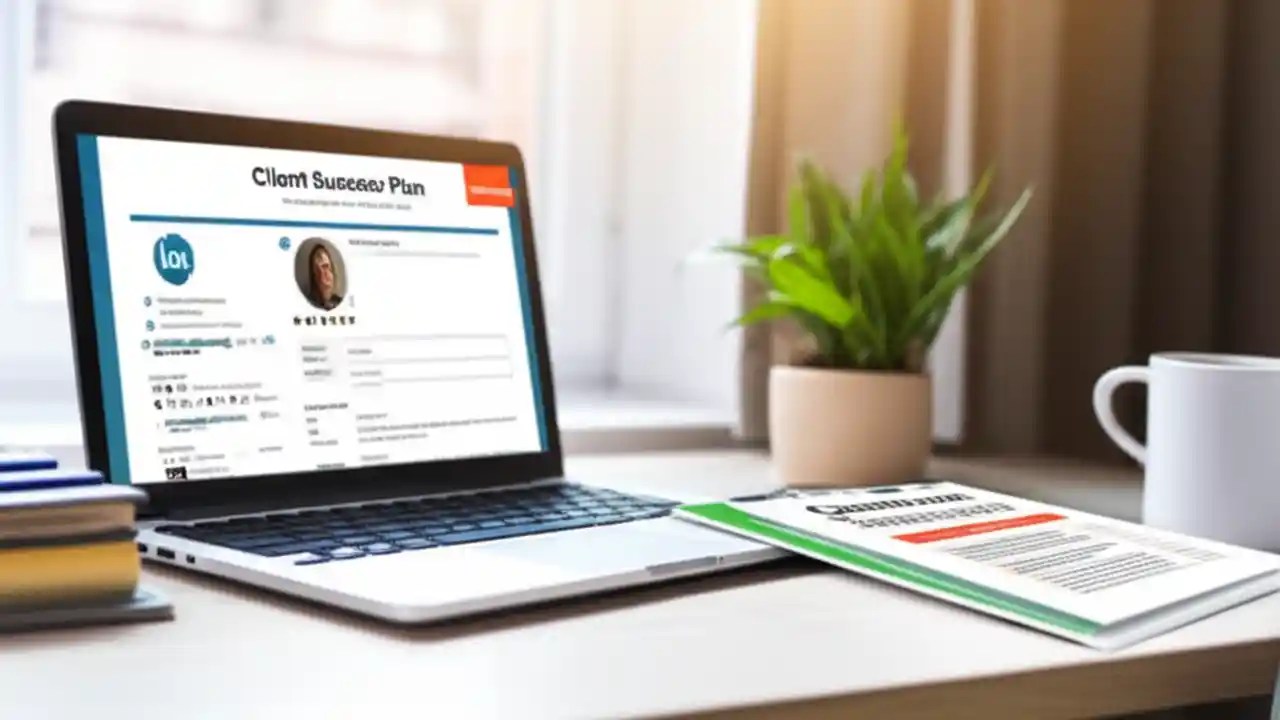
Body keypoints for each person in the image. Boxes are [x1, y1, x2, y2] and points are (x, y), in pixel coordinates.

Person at [306, 242, 343, 310]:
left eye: (325, 267)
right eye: (318, 270)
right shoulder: (306, 304)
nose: (322, 277)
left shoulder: (341, 303)